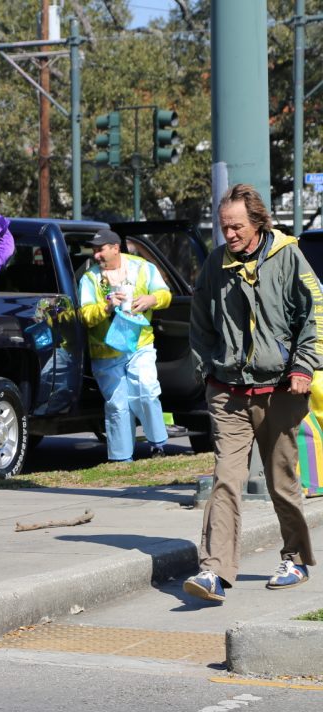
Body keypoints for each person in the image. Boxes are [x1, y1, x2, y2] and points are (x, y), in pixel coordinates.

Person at [183, 184, 322, 603]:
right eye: (225, 227)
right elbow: (199, 320)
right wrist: (207, 370)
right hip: (229, 392)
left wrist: (303, 365)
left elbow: (314, 312)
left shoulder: (287, 257)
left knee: (282, 484)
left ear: (258, 222)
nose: (230, 234)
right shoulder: (215, 264)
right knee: (226, 479)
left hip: (280, 389)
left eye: (237, 226)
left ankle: (295, 558)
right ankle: (214, 571)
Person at [76, 229, 172, 462]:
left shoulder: (143, 268)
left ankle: (158, 443)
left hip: (140, 344)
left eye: (101, 250)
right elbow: (85, 315)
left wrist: (151, 300)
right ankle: (121, 459)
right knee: (118, 405)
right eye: (95, 250)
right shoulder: (89, 279)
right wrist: (107, 307)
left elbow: (165, 295)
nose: (96, 255)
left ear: (115, 248)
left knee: (147, 390)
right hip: (105, 351)